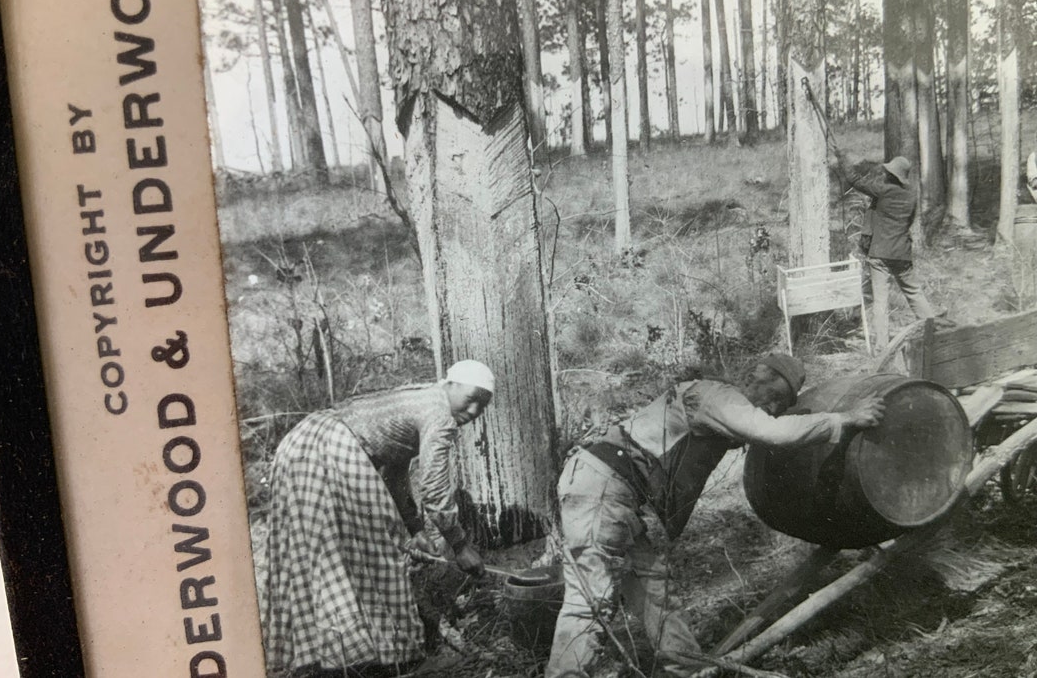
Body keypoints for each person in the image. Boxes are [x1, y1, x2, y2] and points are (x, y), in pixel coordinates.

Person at [545, 354, 884, 678]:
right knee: (590, 600)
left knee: (654, 591)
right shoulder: (716, 397)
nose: (774, 409)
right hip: (604, 488)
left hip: (611, 490)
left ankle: (689, 670)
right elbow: (772, 431)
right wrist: (844, 419)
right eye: (775, 397)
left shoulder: (716, 405)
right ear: (754, 376)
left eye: (782, 405)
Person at [263, 359, 495, 678]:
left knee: (322, 553)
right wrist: (461, 545)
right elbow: (434, 486)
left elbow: (395, 474)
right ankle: (393, 654)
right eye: (471, 400)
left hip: (303, 442)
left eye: (482, 408)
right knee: (378, 551)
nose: (472, 412)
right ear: (451, 385)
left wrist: (414, 527)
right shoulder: (439, 412)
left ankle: (331, 653)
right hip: (330, 448)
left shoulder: (419, 397)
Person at [831, 144, 938, 351]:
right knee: (914, 293)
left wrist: (841, 155)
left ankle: (882, 346)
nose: (885, 173)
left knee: (880, 301)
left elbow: (854, 180)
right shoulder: (910, 196)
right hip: (902, 254)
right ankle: (933, 332)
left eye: (888, 172)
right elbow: (908, 222)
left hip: (879, 254)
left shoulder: (883, 191)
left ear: (892, 176)